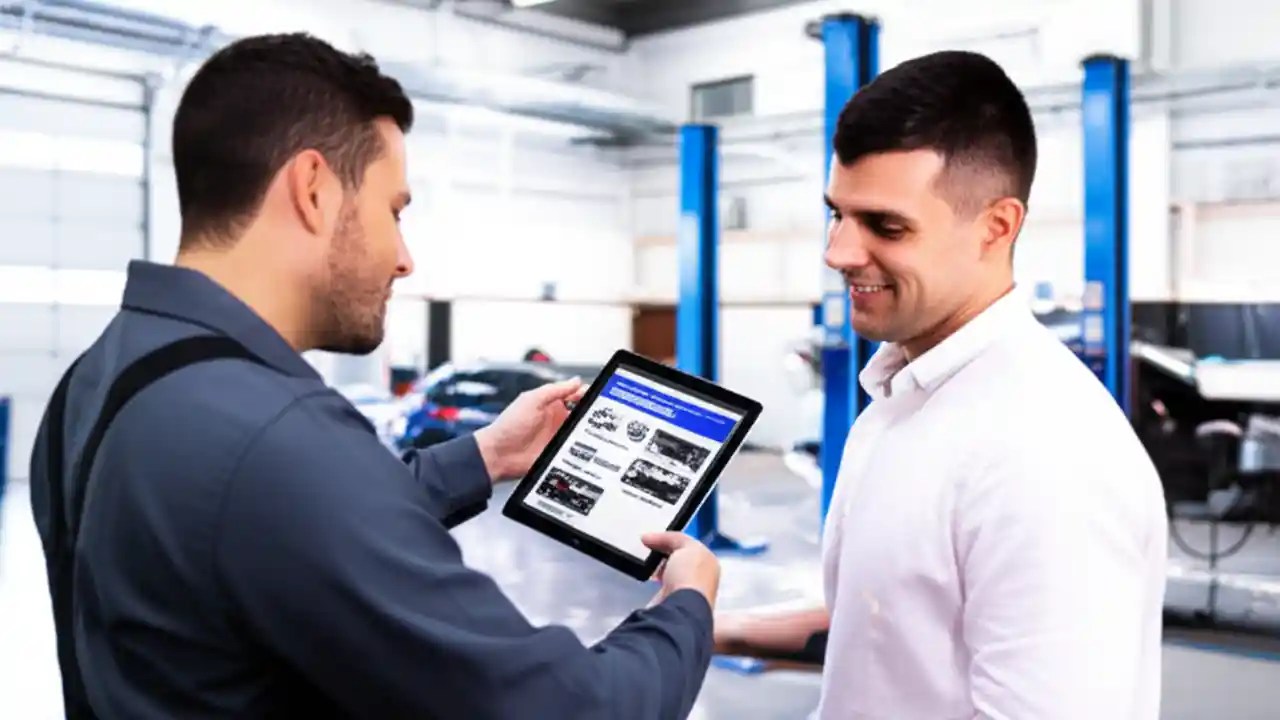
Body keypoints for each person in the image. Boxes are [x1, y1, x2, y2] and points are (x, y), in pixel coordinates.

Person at [28, 33, 719, 719]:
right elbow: (572, 710)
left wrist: (486, 455)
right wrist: (687, 606)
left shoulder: (98, 380)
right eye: (394, 211)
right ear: (313, 190)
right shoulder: (275, 435)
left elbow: (275, 530)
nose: (404, 258)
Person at [714, 50, 1168, 719]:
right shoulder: (906, 396)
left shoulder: (1046, 456)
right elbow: (888, 628)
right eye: (837, 214)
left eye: (885, 226)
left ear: (996, 227)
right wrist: (703, 628)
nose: (838, 253)